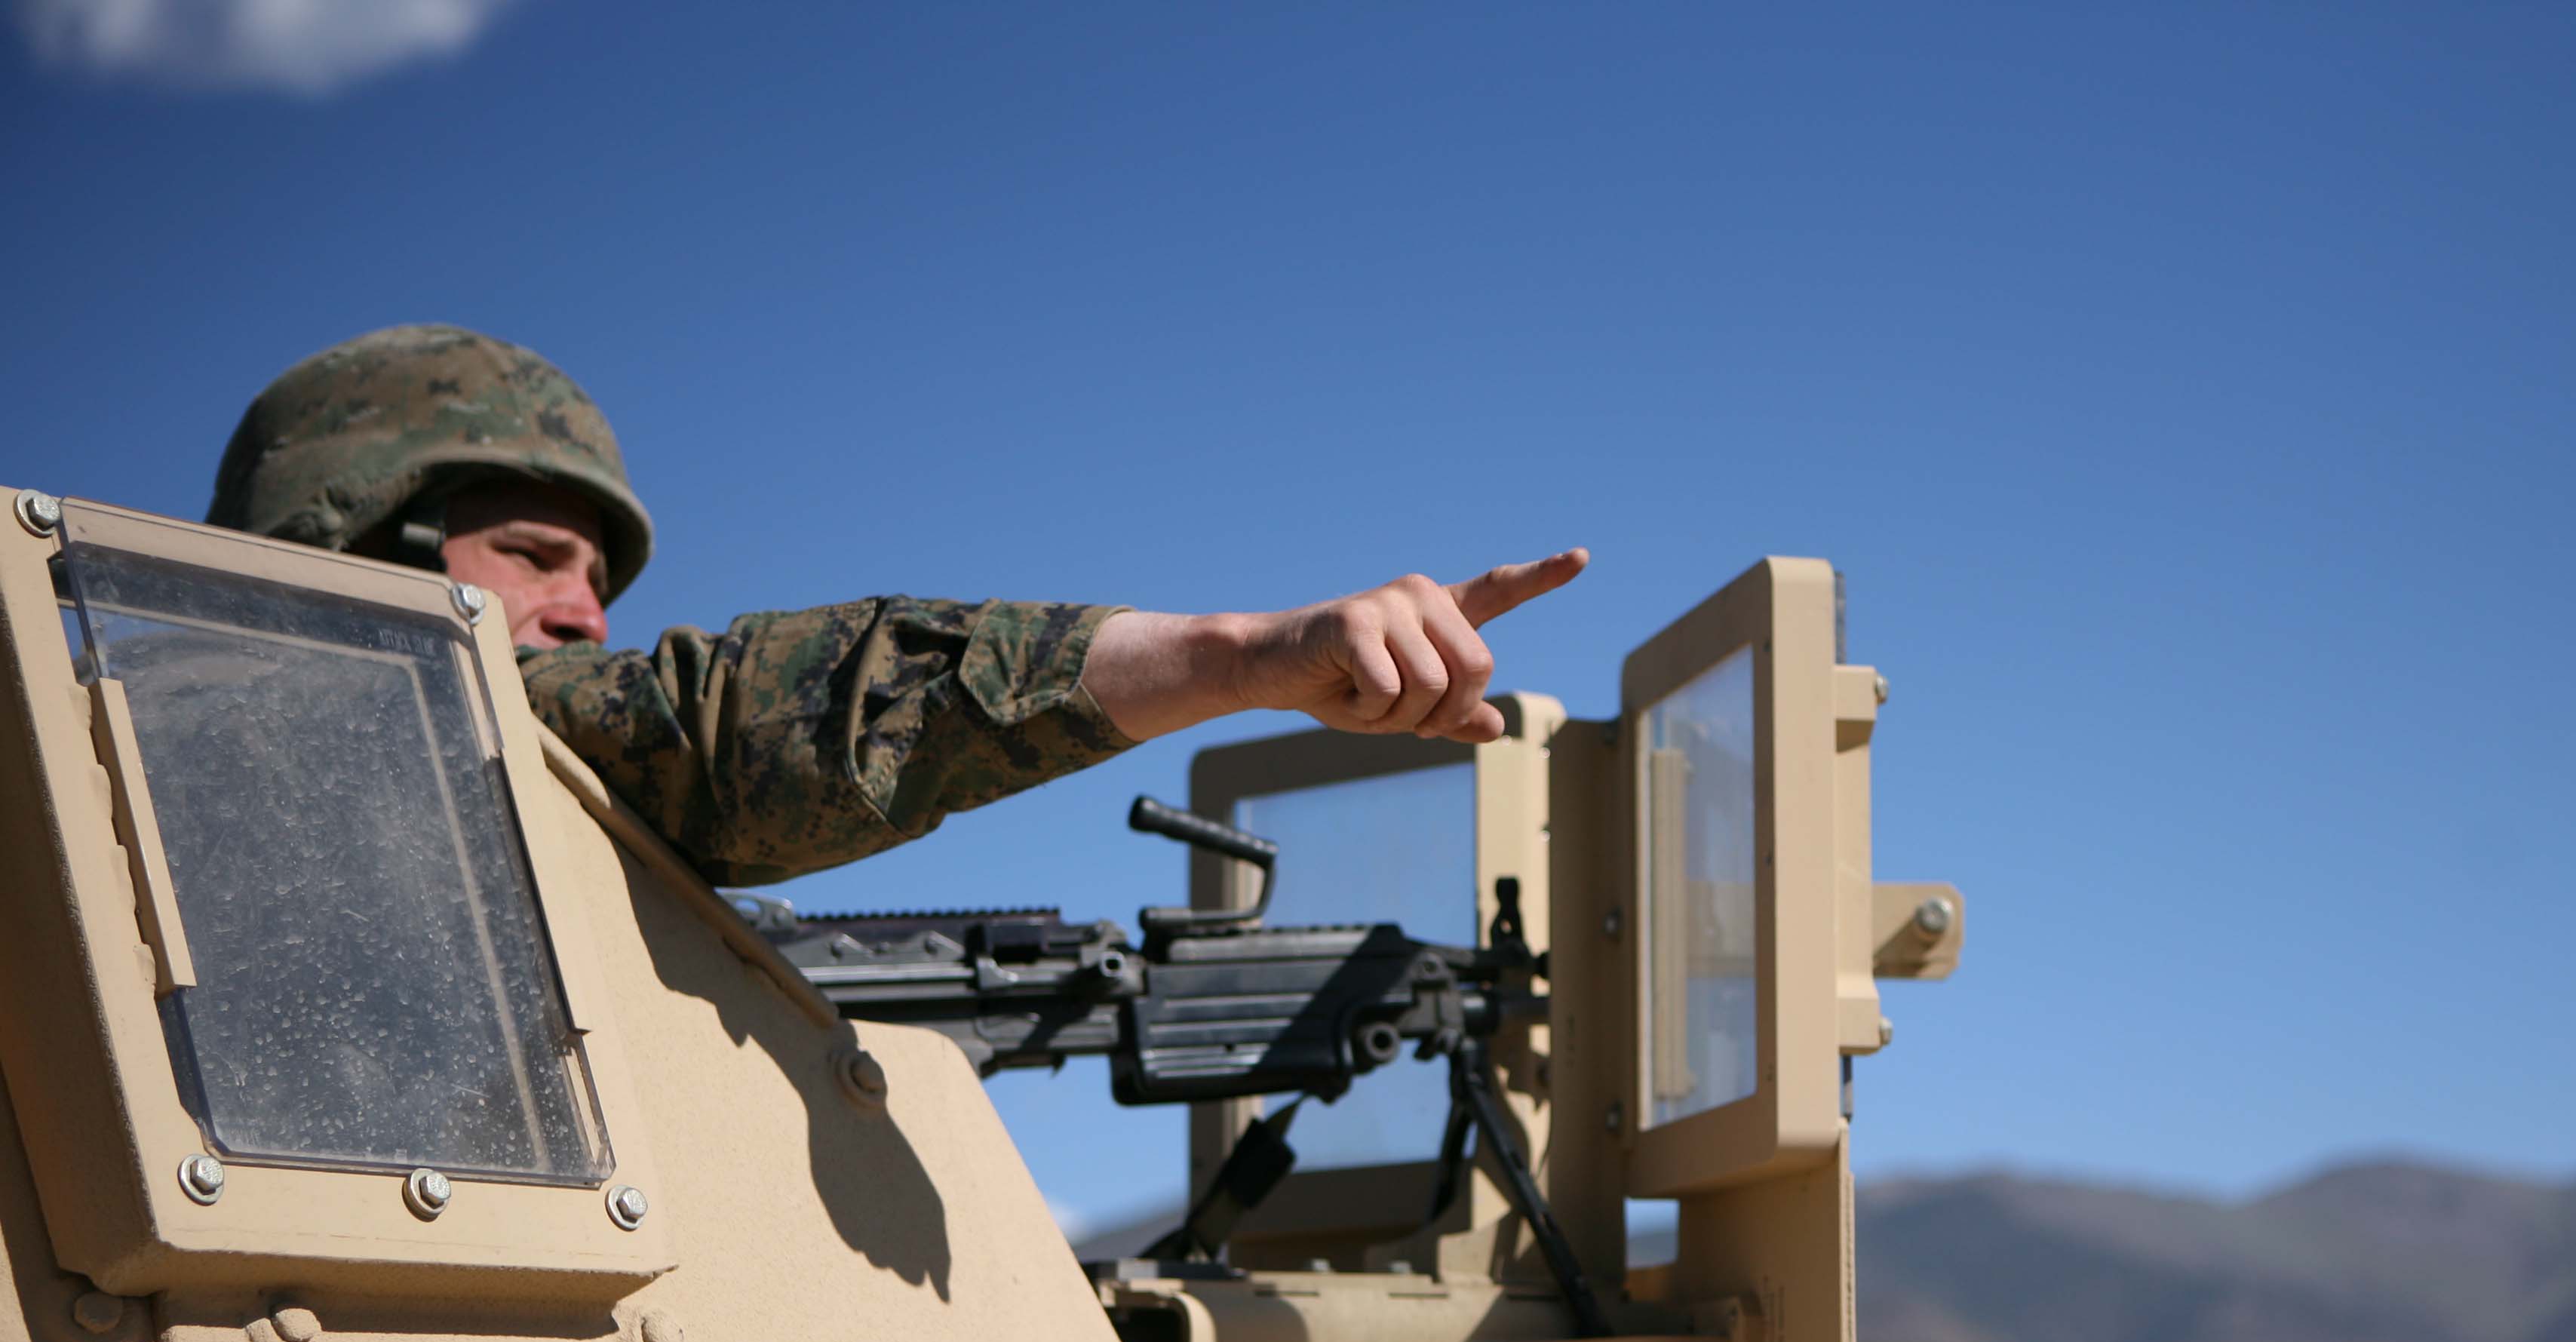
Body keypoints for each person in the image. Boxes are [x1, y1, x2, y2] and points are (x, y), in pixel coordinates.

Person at [205, 324, 1586, 886]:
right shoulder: (221, 745)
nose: (583, 619)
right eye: (529, 556)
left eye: (598, 582)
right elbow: (725, 727)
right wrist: (1238, 658)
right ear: (359, 546)